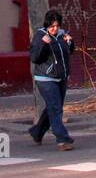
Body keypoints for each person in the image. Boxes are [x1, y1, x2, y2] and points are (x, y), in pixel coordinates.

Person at [28, 9, 75, 150]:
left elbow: (69, 52)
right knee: (55, 107)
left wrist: (70, 43)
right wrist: (43, 44)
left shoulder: (62, 35)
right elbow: (35, 58)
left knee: (54, 107)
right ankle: (63, 139)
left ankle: (37, 132)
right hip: (45, 78)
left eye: (57, 25)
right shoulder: (39, 36)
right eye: (52, 26)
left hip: (61, 77)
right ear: (47, 25)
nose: (55, 29)